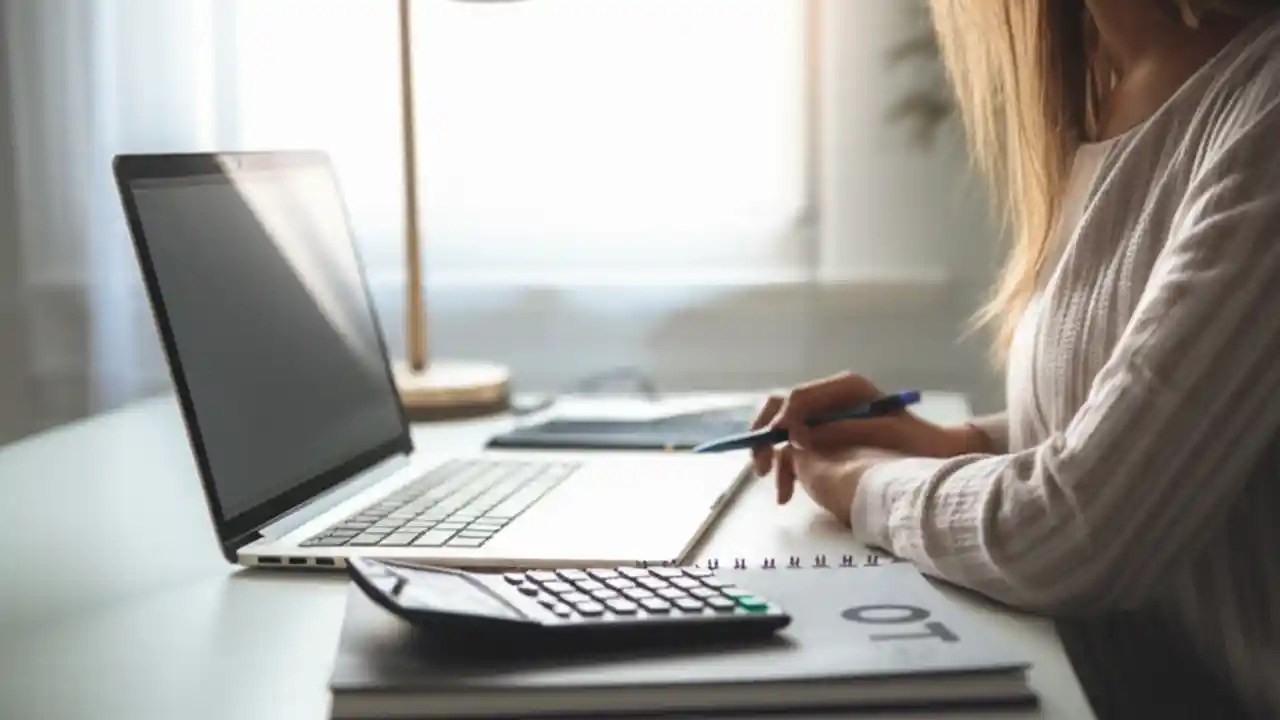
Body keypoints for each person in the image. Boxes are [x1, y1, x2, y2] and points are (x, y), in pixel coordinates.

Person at [753, 1, 1280, 717]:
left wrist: (863, 484)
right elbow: (1172, 411)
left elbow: (1079, 537)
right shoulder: (1110, 85)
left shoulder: (1261, 107)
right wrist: (962, 443)